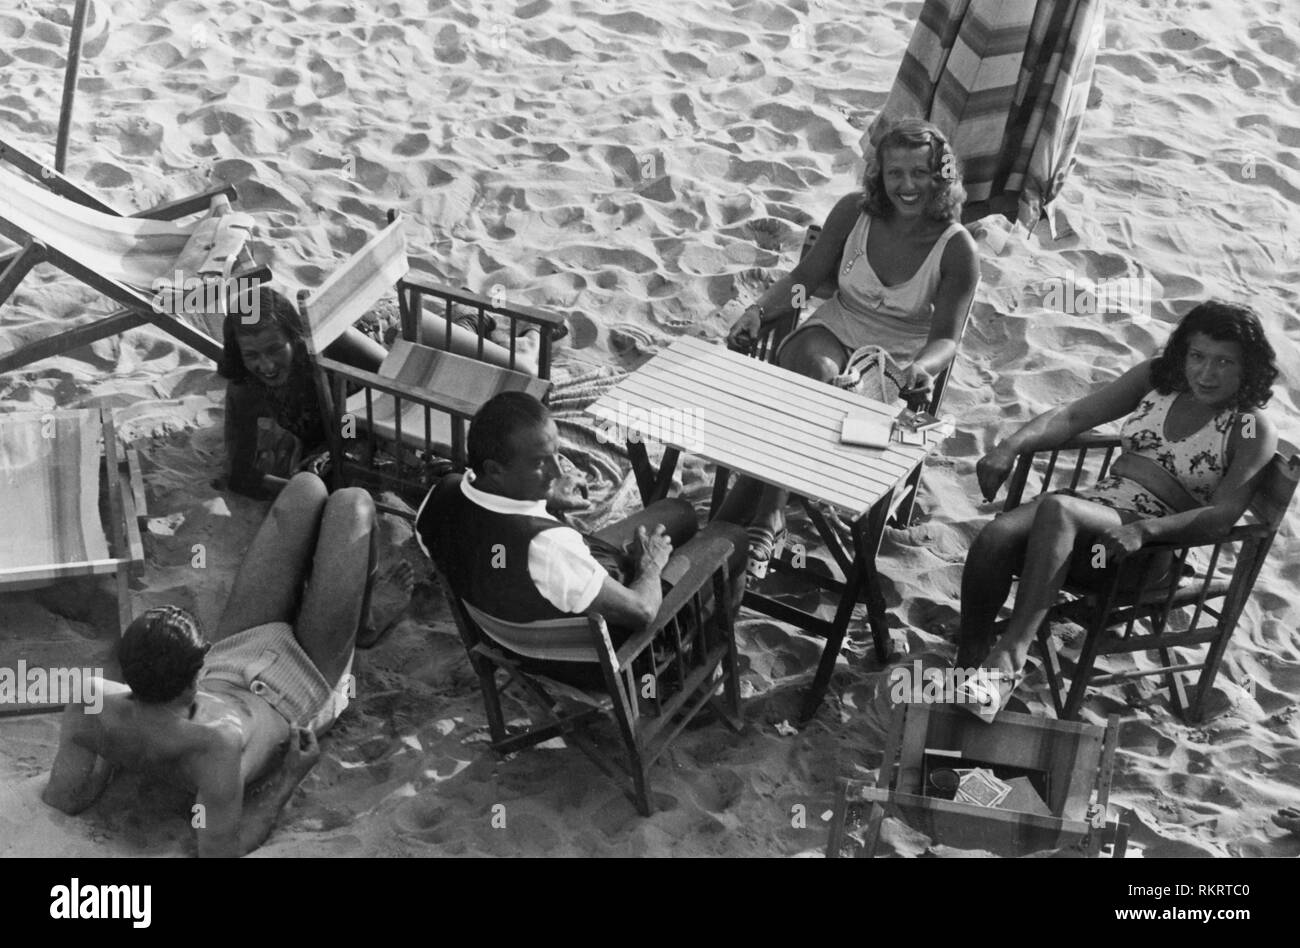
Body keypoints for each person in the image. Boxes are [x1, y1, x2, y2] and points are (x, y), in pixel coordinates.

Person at [41, 473, 406, 857]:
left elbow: (65, 797)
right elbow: (221, 851)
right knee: (353, 503)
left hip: (234, 654)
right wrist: (289, 776)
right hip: (303, 687)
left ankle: (345, 611)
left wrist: (113, 754)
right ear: (195, 676)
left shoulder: (91, 703)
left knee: (307, 488)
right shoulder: (215, 747)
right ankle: (362, 626)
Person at [956, 301, 1280, 718]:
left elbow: (1221, 516)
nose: (1206, 373)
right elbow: (1074, 414)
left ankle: (1008, 661)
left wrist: (1146, 532)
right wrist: (1010, 446)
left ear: (1247, 368)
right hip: (1088, 520)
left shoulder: (1249, 428)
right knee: (997, 536)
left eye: (1224, 362)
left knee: (1058, 509)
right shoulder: (1159, 379)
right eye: (1197, 356)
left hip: (1140, 553)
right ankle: (969, 660)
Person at [723, 118, 980, 573]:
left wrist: (924, 368)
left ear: (940, 177)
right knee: (814, 371)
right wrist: (758, 312)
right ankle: (769, 516)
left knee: (811, 400)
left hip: (895, 360)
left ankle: (732, 521)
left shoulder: (956, 248)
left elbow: (945, 339)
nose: (906, 185)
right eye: (894, 172)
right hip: (837, 325)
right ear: (878, 173)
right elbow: (805, 281)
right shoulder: (854, 212)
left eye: (919, 173)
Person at [414, 391, 748, 688]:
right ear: (496, 469)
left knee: (680, 511)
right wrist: (650, 566)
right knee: (732, 537)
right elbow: (643, 611)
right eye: (539, 464)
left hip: (511, 630)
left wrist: (541, 499)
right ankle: (692, 681)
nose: (558, 472)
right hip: (599, 656)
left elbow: (490, 541)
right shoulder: (548, 546)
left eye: (556, 454)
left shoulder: (441, 497)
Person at [217, 285, 550, 499]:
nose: (266, 365)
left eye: (275, 349)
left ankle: (528, 336)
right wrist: (305, 492)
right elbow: (241, 474)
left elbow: (401, 379)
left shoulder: (330, 342)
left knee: (523, 371)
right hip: (361, 411)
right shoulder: (246, 389)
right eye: (252, 355)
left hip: (389, 335)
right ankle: (469, 324)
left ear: (296, 338)